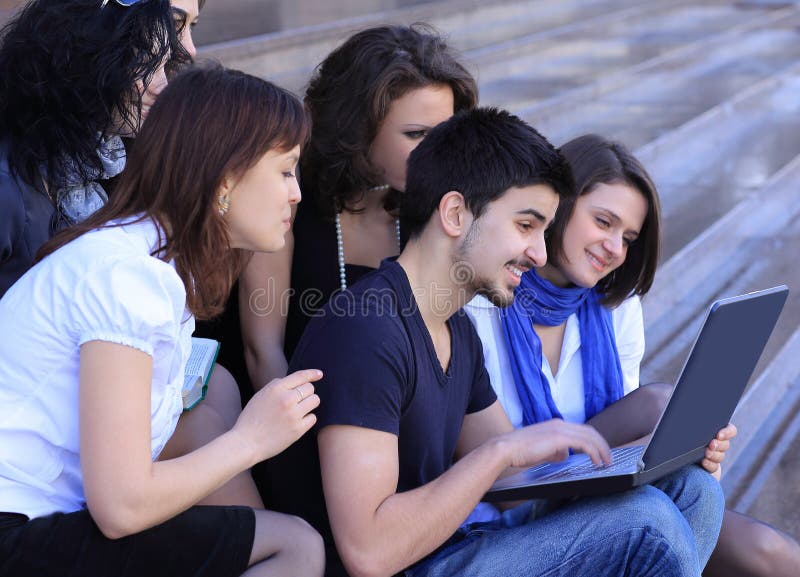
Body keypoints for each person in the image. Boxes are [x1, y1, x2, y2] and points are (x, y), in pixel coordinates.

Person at [267, 107, 725, 577]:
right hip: (405, 568)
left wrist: (649, 453)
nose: (540, 253)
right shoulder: (366, 330)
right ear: (455, 213)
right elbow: (370, 552)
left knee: (693, 488)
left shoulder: (454, 329)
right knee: (645, 521)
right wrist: (502, 453)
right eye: (526, 226)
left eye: (544, 231)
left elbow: (515, 478)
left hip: (454, 550)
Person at [0, 66, 324, 577]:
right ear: (225, 177)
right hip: (16, 528)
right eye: (285, 171)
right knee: (296, 546)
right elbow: (121, 507)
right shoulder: (130, 276)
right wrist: (252, 440)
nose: (297, 194)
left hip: (38, 518)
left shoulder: (146, 262)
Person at [464, 133, 800, 576]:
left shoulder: (616, 309)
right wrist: (643, 450)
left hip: (584, 493)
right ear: (559, 203)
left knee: (765, 547)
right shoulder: (481, 303)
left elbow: (620, 446)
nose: (615, 249)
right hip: (499, 512)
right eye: (603, 222)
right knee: (657, 425)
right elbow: (502, 480)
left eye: (628, 237)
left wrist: (681, 452)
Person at [194, 24, 479, 399]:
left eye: (444, 132)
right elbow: (262, 353)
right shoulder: (288, 197)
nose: (438, 150)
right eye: (415, 134)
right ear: (357, 128)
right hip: (284, 418)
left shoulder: (439, 204)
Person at [0, 0, 193, 297]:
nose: (162, 86)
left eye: (164, 64)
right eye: (143, 62)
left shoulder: (113, 159)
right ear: (79, 60)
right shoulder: (7, 186)